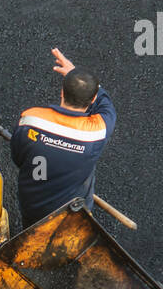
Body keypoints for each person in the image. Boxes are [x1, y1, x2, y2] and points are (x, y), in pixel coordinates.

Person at [11, 50, 117, 228]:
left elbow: (18, 157)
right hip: (71, 213)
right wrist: (79, 76)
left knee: (31, 236)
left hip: (33, 207)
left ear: (62, 92)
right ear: (92, 100)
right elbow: (107, 106)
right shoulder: (96, 133)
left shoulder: (30, 120)